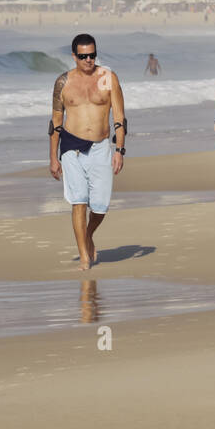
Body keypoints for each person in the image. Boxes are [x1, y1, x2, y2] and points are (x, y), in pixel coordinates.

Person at [49, 34, 126, 271]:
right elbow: (55, 122)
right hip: (71, 147)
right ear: (74, 57)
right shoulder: (63, 82)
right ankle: (84, 257)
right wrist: (53, 157)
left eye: (92, 55)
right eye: (83, 56)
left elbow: (120, 117)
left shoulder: (108, 78)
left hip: (101, 147)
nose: (89, 60)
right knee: (79, 200)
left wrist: (119, 150)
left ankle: (88, 234)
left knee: (100, 206)